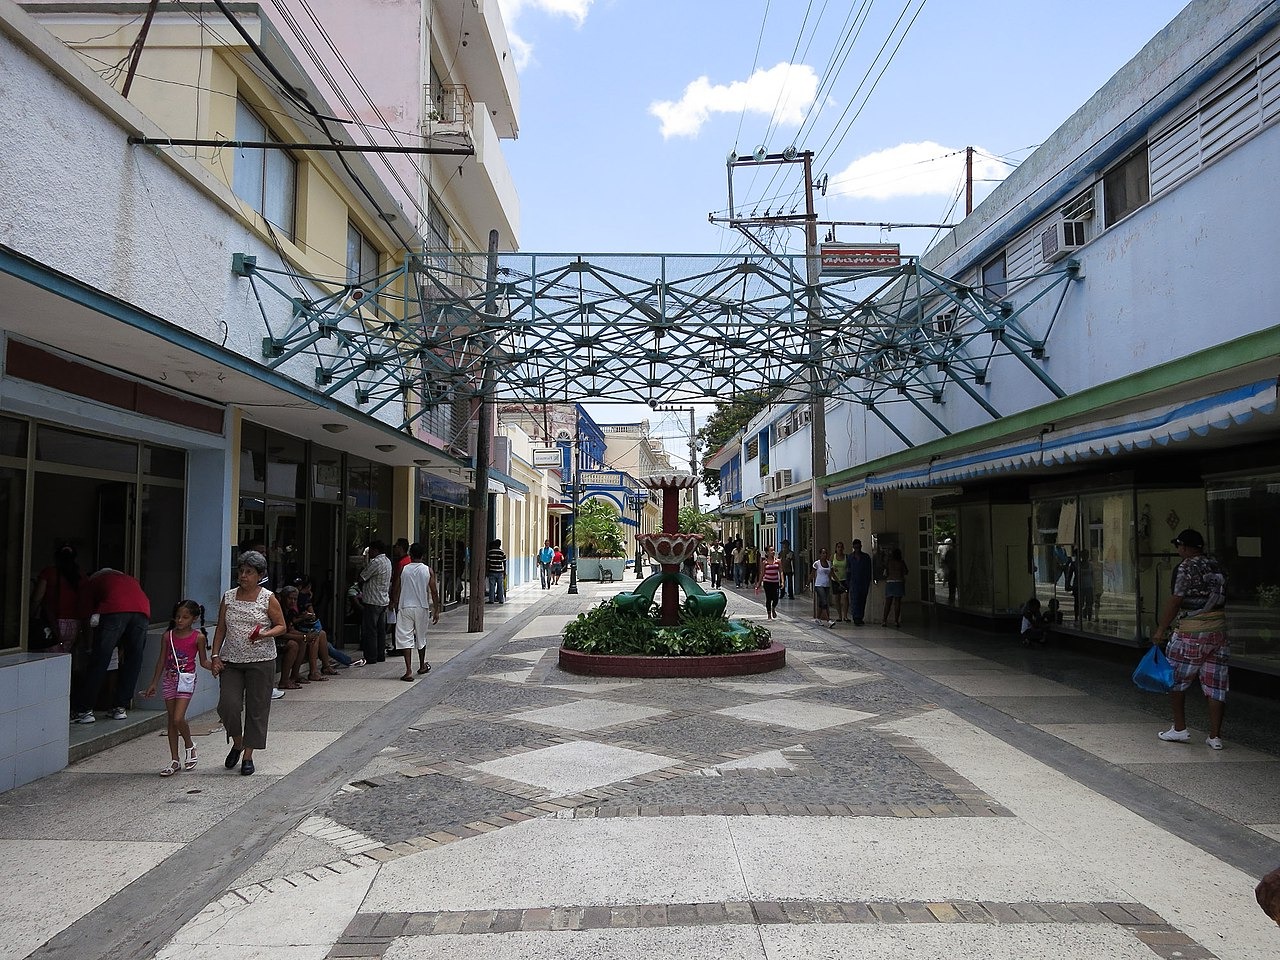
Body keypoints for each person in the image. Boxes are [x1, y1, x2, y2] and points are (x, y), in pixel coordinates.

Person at [212, 550, 287, 776]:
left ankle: (248, 755)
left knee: (257, 709)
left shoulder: (268, 597)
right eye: (241, 571)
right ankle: (237, 742)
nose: (243, 576)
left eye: (249, 572)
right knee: (228, 705)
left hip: (261, 660)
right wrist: (215, 656)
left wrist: (265, 634)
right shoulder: (229, 596)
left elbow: (281, 625)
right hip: (232, 660)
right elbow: (221, 628)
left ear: (259, 575)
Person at [1154, 529, 1228, 750]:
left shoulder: (1185, 567)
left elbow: (1176, 600)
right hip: (1219, 633)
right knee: (1216, 686)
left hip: (1190, 633)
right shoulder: (1218, 565)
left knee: (1176, 680)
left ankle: (1179, 729)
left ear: (1185, 547)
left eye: (1179, 546)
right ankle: (1215, 737)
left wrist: (1161, 629)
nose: (1178, 550)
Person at [73, 568, 151, 724]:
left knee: (100, 660)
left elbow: (85, 615)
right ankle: (119, 707)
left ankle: (84, 710)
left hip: (114, 611)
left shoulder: (92, 582)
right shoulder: (130, 579)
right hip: (142, 611)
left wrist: (89, 646)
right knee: (133, 660)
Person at [142, 600, 210, 776]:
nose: (180, 620)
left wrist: (216, 666)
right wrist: (153, 683)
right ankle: (174, 759)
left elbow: (203, 662)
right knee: (172, 719)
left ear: (194, 619)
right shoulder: (168, 636)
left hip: (186, 680)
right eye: (178, 616)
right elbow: (161, 661)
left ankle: (189, 744)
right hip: (169, 679)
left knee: (178, 718)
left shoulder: (198, 638)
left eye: (185, 617)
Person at [391, 542, 441, 680]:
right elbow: (434, 591)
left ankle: (408, 670)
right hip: (421, 607)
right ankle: (422, 665)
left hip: (405, 606)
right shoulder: (428, 570)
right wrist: (436, 609)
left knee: (405, 638)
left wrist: (393, 602)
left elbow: (396, 587)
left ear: (410, 554)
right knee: (421, 637)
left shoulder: (404, 569)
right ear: (423, 555)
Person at [31, 542, 83, 652]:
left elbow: (37, 597)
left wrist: (30, 614)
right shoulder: (80, 576)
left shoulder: (49, 572)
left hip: (53, 621)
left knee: (49, 657)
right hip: (74, 623)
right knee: (64, 655)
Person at [358, 540, 392, 665]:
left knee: (370, 630)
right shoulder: (387, 561)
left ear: (376, 550)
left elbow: (362, 577)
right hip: (383, 599)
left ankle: (371, 656)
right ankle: (380, 654)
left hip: (372, 600)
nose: (370, 552)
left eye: (371, 550)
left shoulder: (376, 562)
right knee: (380, 630)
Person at [880, 548, 909, 628]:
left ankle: (884, 620)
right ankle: (896, 621)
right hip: (899, 582)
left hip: (890, 582)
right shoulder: (901, 562)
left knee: (888, 602)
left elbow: (886, 572)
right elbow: (906, 571)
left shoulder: (889, 562)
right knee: (897, 602)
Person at [848, 539, 873, 625]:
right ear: (853, 547)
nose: (857, 549)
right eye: (855, 547)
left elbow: (869, 571)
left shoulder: (866, 557)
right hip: (854, 583)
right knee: (854, 600)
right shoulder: (850, 558)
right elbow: (848, 571)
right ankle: (856, 617)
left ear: (861, 546)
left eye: (858, 547)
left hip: (863, 583)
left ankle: (860, 617)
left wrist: (868, 581)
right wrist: (848, 583)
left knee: (862, 600)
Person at [755, 545, 782, 620]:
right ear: (767, 552)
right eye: (771, 550)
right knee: (769, 598)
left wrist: (782, 581)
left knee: (776, 598)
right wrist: (759, 583)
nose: (773, 552)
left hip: (775, 582)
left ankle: (773, 608)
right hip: (767, 582)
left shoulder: (778, 561)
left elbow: (781, 572)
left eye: (773, 550)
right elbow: (762, 573)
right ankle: (769, 614)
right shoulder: (764, 562)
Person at [811, 547, 833, 625]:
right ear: (820, 554)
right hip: (819, 585)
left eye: (826, 553)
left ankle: (818, 618)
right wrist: (807, 584)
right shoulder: (817, 563)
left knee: (821, 602)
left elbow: (832, 574)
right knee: (824, 602)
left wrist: (839, 583)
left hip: (826, 585)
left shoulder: (829, 563)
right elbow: (812, 574)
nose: (825, 555)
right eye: (823, 553)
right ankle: (828, 620)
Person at [831, 542, 850, 623]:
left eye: (841, 547)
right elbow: (829, 565)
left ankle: (845, 615)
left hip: (844, 580)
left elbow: (849, 566)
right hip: (835, 580)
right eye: (838, 547)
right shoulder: (833, 556)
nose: (840, 549)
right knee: (837, 598)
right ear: (836, 548)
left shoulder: (846, 557)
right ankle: (839, 616)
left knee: (845, 597)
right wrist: (832, 568)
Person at [486, 538, 507, 603]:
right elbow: (504, 562)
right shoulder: (502, 552)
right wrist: (504, 571)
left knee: (492, 586)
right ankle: (501, 600)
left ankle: (491, 600)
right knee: (500, 586)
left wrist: (487, 570)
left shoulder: (490, 552)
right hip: (500, 571)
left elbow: (488, 562)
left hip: (492, 571)